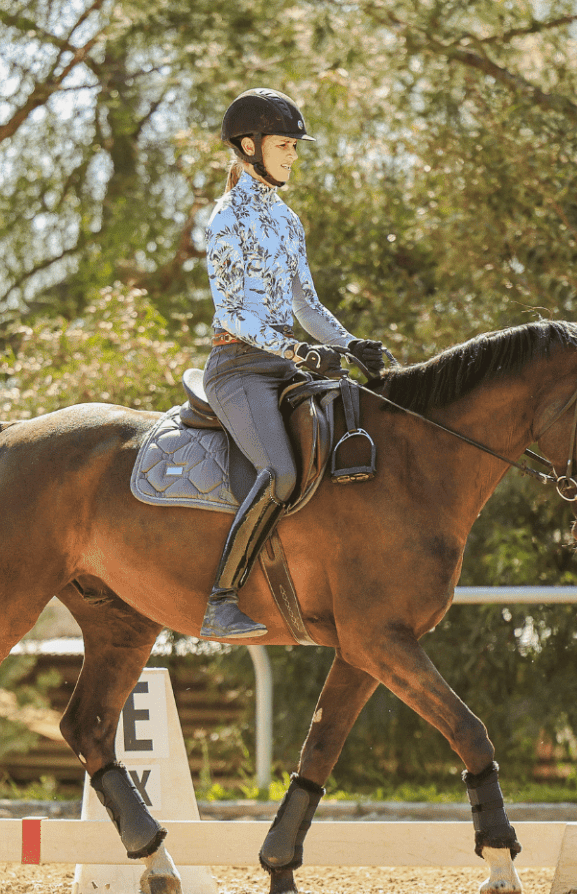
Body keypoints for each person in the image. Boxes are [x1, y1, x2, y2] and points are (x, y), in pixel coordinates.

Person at [199, 87, 390, 640]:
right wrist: (304, 352)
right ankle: (221, 596)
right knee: (280, 473)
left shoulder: (287, 221)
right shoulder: (226, 219)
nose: (292, 155)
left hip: (285, 367)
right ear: (249, 146)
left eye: (294, 146)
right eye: (284, 144)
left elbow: (307, 306)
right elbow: (233, 314)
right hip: (237, 368)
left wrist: (352, 345)